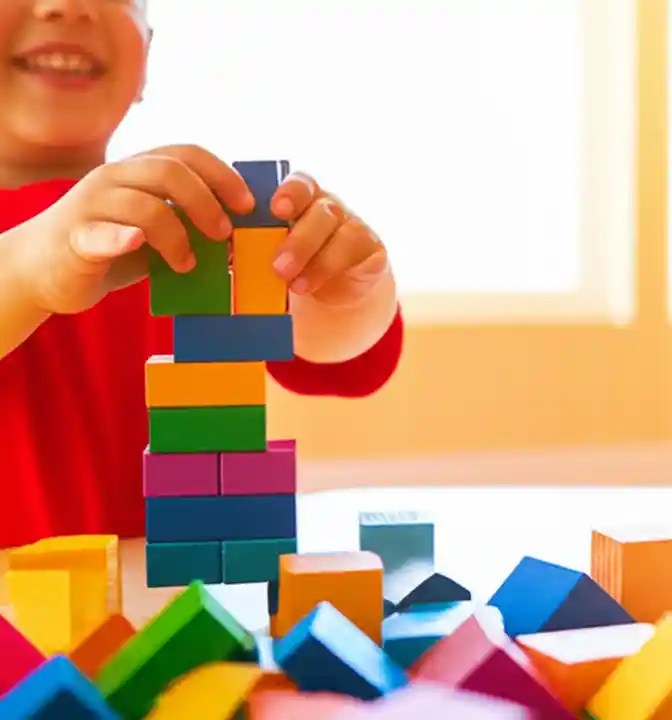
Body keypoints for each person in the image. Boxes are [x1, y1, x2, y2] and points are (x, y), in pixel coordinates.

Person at [0, 0, 404, 548]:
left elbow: (340, 358)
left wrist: (342, 290)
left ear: (147, 56)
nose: (67, 7)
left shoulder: (187, 220)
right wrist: (23, 272)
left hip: (173, 594)